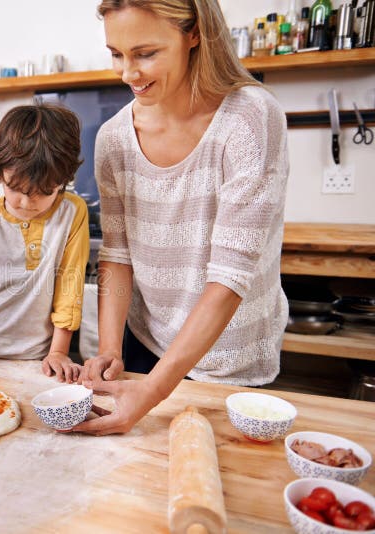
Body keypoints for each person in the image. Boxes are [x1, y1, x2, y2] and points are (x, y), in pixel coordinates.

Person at [71, 0, 289, 434]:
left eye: (145, 53)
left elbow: (229, 276)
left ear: (194, 34)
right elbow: (117, 254)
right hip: (146, 343)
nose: (128, 73)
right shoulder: (114, 138)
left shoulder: (250, 118)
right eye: (116, 54)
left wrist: (153, 391)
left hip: (229, 357)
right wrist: (110, 348)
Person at [0, 104, 90, 383]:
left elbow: (70, 283)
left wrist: (59, 352)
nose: (25, 202)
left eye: (43, 192)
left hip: (40, 357)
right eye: (14, 188)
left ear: (63, 180)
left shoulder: (72, 212)